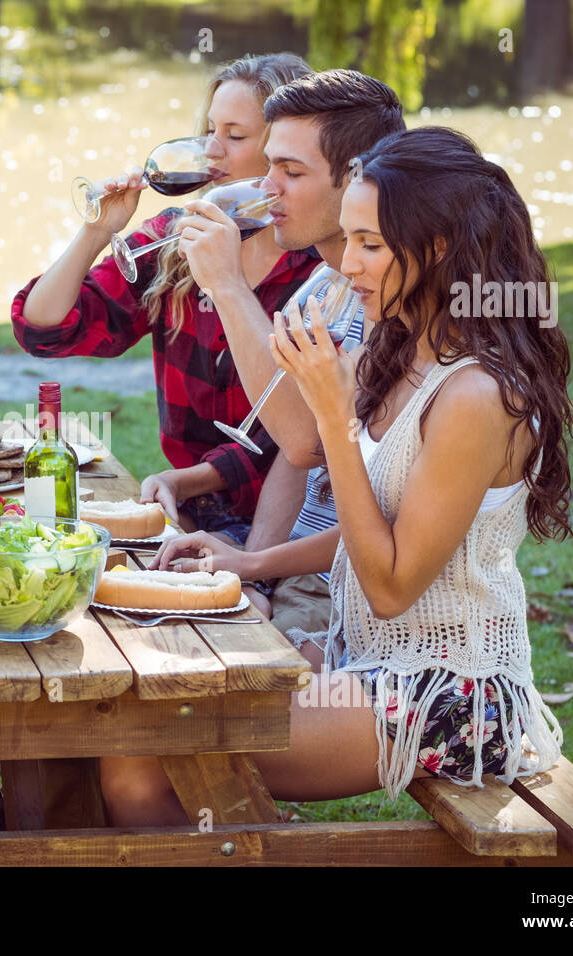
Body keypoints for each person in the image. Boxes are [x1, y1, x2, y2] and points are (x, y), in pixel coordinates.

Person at [100, 126, 573, 824]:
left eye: (370, 245)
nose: (347, 265)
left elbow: (389, 584)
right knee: (132, 725)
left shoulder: (475, 395)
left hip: (450, 693)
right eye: (347, 238)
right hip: (367, 666)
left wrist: (333, 420)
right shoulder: (402, 347)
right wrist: (253, 559)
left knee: (149, 745)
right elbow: (379, 524)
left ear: (439, 250)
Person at [11, 54, 319, 597]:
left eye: (234, 134)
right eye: (208, 130)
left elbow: (298, 438)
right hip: (192, 521)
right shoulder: (179, 237)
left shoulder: (322, 268)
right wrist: (96, 232)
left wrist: (191, 478)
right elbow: (45, 329)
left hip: (296, 532)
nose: (211, 150)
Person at [158, 69, 406, 627]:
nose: (267, 187)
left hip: (352, 594)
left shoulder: (391, 300)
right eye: (269, 164)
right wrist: (255, 572)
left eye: (290, 171)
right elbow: (295, 469)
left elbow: (303, 443)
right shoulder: (321, 284)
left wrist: (226, 286)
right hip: (300, 572)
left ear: (357, 180)